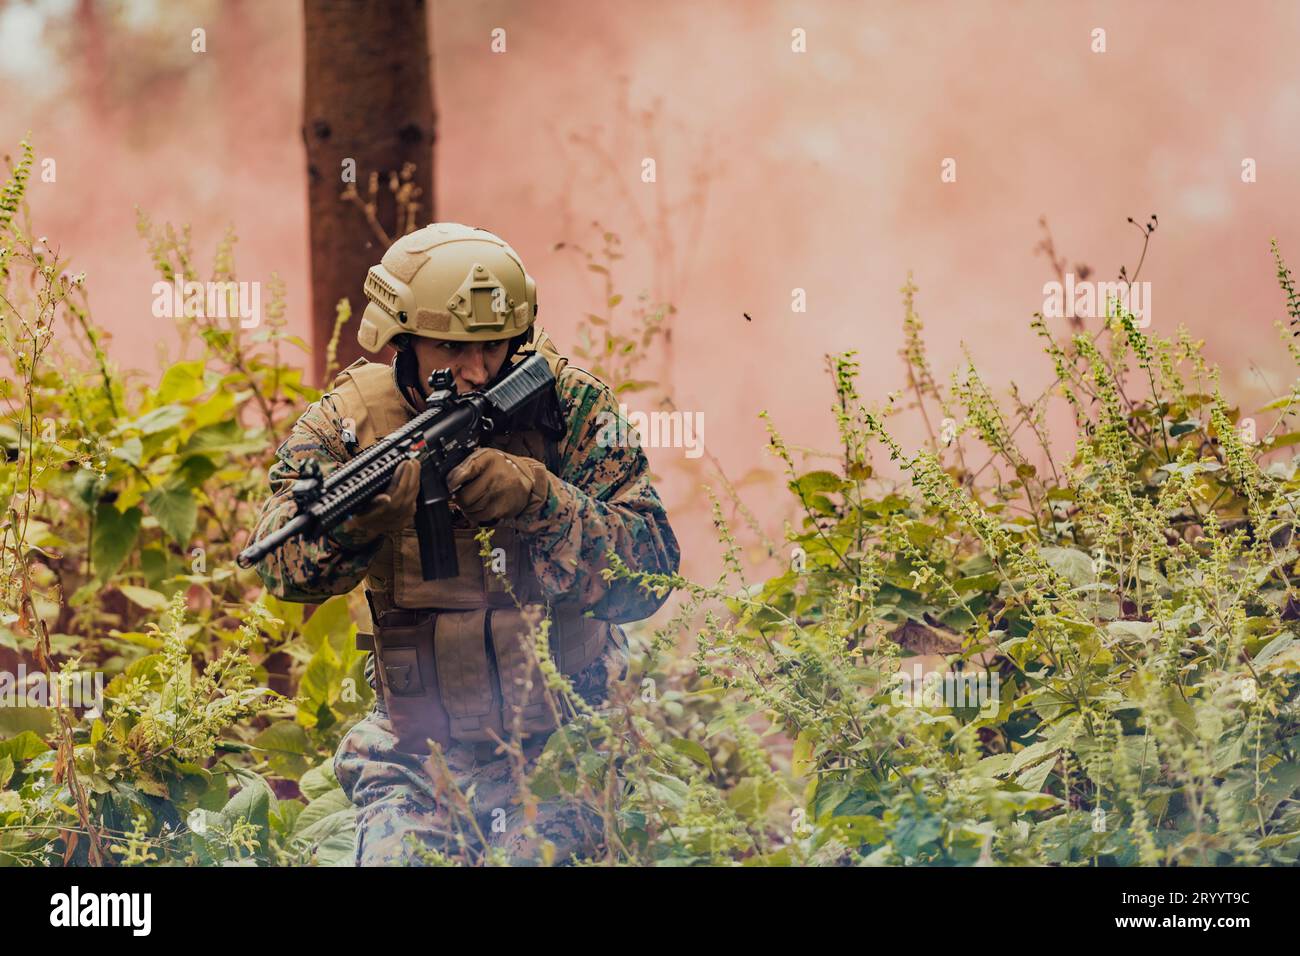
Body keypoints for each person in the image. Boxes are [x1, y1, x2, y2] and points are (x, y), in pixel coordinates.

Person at [249, 222, 680, 864]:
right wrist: (353, 524)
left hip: (567, 738)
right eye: (452, 347)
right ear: (402, 341)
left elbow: (651, 575)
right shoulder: (353, 421)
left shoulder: (572, 407)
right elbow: (280, 566)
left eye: (497, 345)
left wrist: (542, 499)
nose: (479, 371)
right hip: (418, 751)